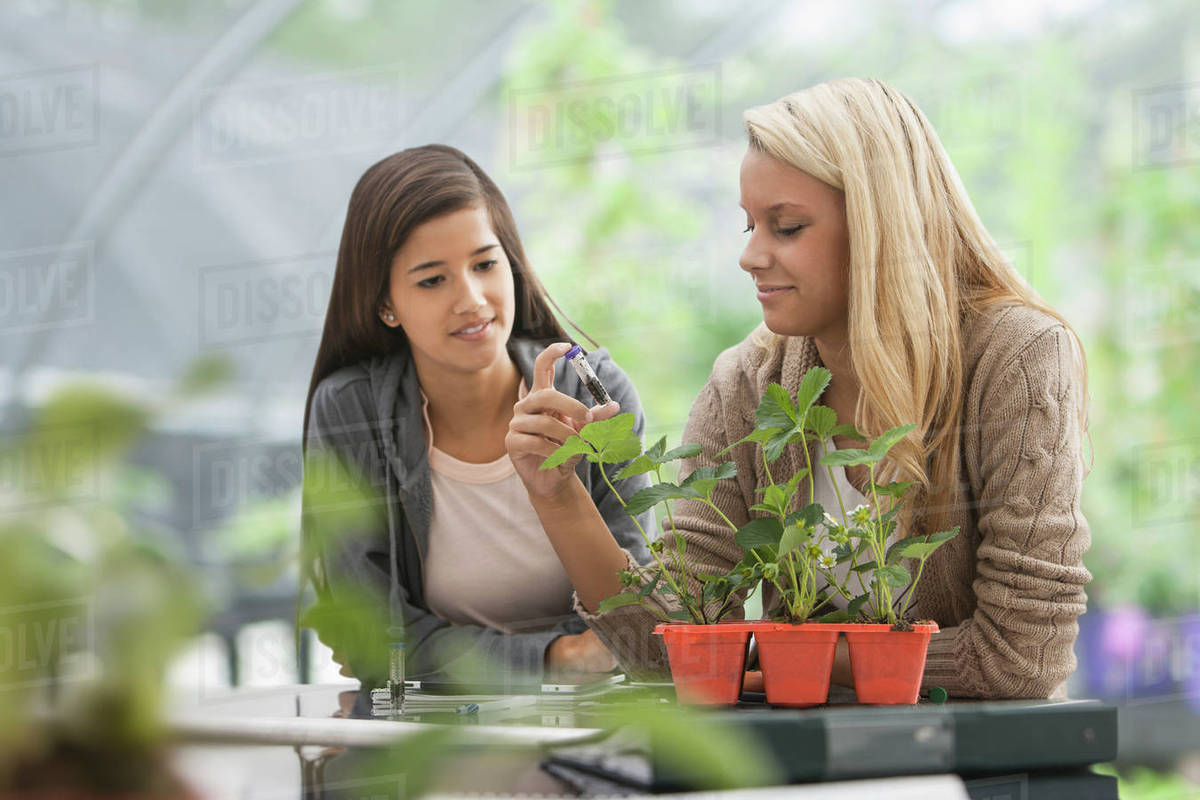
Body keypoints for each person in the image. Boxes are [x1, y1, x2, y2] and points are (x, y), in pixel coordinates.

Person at [506, 78, 1092, 699]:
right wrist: (559, 497)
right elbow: (671, 647)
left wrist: (774, 655)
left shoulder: (1015, 357)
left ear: (878, 229)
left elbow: (1020, 657)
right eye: (748, 226)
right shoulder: (747, 384)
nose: (751, 255)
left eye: (785, 227)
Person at [301, 144, 651, 684]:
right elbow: (371, 640)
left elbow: (639, 624)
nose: (472, 299)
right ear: (385, 304)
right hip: (433, 739)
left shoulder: (592, 393)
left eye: (485, 264)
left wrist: (438, 657)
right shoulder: (352, 411)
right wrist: (557, 658)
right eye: (431, 279)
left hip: (602, 719)